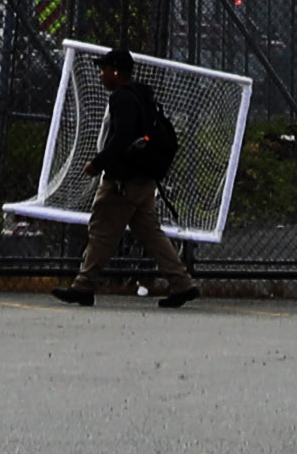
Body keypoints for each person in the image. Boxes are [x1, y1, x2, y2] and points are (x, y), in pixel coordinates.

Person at [59, 46, 201, 307]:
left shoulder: (122, 98)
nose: (101, 76)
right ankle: (182, 283)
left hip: (124, 179)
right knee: (150, 232)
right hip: (144, 179)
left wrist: (98, 164)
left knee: (101, 228)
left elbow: (122, 138)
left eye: (104, 70)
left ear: (116, 72)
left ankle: (84, 285)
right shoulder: (141, 96)